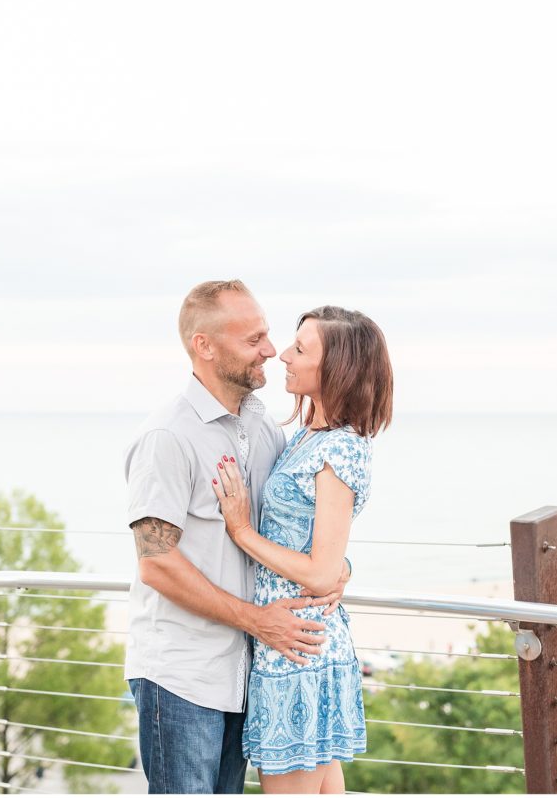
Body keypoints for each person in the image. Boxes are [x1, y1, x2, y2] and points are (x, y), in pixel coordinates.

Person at [124, 280, 350, 794]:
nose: (271, 350)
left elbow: (295, 526)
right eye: (254, 340)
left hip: (246, 674)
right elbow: (155, 562)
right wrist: (258, 621)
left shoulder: (262, 426)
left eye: (268, 335)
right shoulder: (167, 437)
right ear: (204, 346)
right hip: (181, 678)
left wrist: (337, 570)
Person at [213, 305, 393, 794]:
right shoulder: (308, 438)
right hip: (294, 640)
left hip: (299, 648)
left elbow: (318, 572)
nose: (284, 357)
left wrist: (242, 531)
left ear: (337, 368)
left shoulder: (342, 448)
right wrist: (342, 568)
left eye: (300, 349)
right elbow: (326, 556)